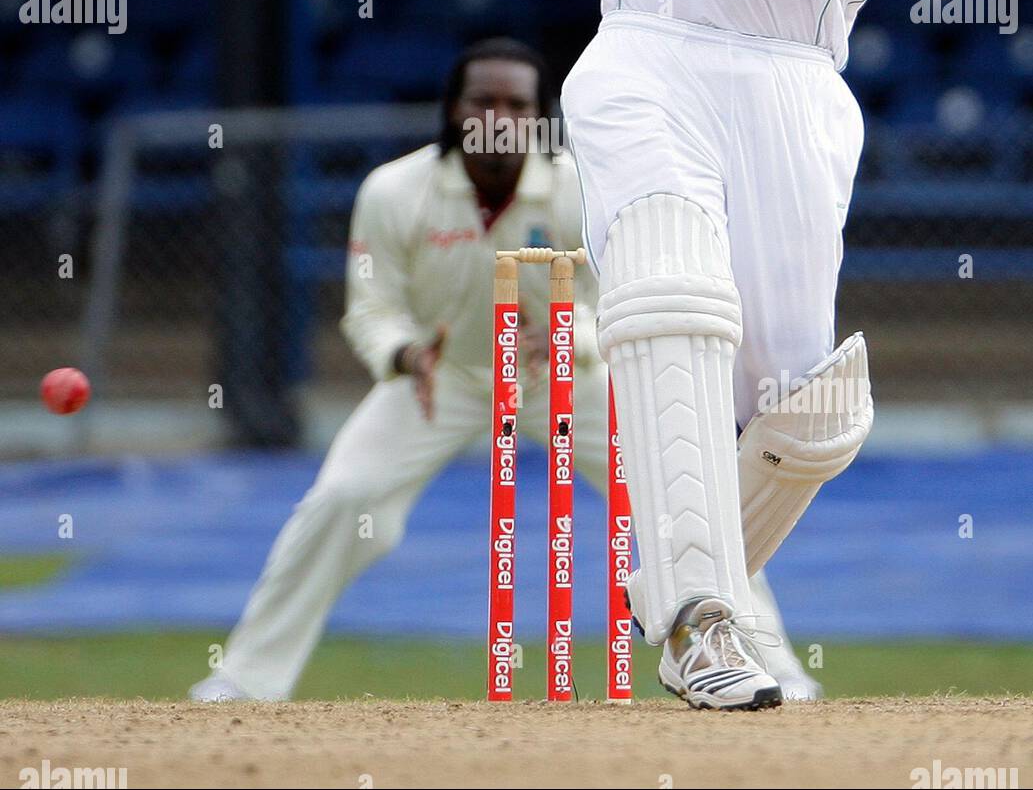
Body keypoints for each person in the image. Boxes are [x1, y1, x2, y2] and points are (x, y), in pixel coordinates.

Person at [556, 0, 956, 709]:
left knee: (810, 405)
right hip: (650, 47)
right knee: (673, 295)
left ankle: (671, 585)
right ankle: (696, 622)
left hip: (790, 82)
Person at [189, 38, 818, 701]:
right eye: (480, 101)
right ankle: (246, 679)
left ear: (541, 116)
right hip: (445, 379)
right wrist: (405, 354)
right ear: (451, 110)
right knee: (344, 499)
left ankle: (773, 669)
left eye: (515, 104)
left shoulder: (584, 187)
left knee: (684, 494)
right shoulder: (394, 191)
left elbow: (619, 300)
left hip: (565, 378)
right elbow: (371, 307)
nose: (497, 117)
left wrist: (570, 333)